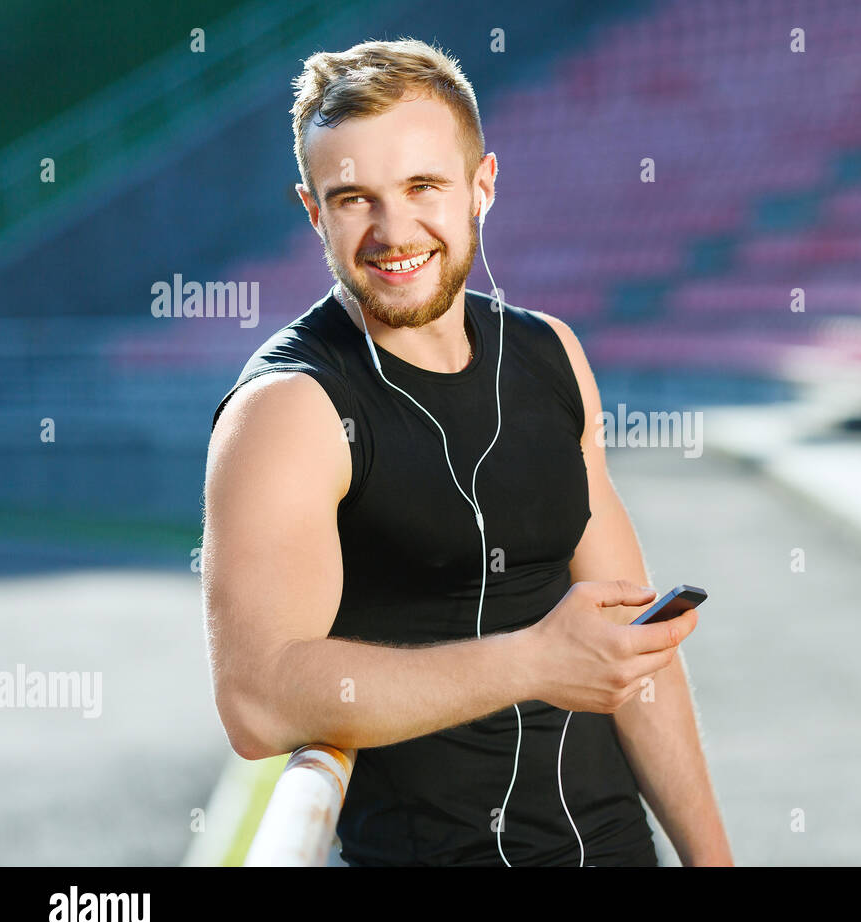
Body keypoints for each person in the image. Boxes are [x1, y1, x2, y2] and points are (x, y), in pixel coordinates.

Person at [201, 38, 732, 866]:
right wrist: (532, 663)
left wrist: (712, 858)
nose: (392, 230)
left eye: (422, 186)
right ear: (313, 210)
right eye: (353, 200)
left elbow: (636, 646)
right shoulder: (289, 408)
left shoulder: (551, 353)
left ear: (482, 184)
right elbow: (257, 701)